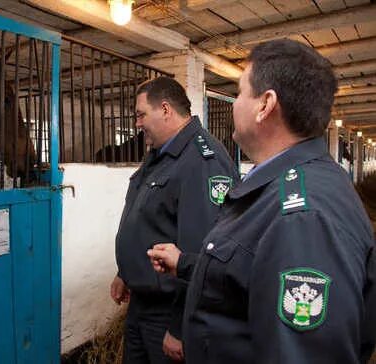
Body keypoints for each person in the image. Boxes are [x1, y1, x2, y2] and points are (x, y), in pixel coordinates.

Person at [147, 39, 376, 363]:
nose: (235, 103)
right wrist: (185, 263)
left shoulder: (301, 218)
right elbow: (254, 275)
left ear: (265, 105)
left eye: (240, 92)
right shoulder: (284, 185)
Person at [111, 76, 239, 363]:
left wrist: (180, 326)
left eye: (141, 115)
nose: (137, 124)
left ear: (165, 109)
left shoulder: (203, 161)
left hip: (169, 312)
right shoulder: (161, 153)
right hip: (141, 303)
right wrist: (126, 272)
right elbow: (148, 220)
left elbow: (201, 253)